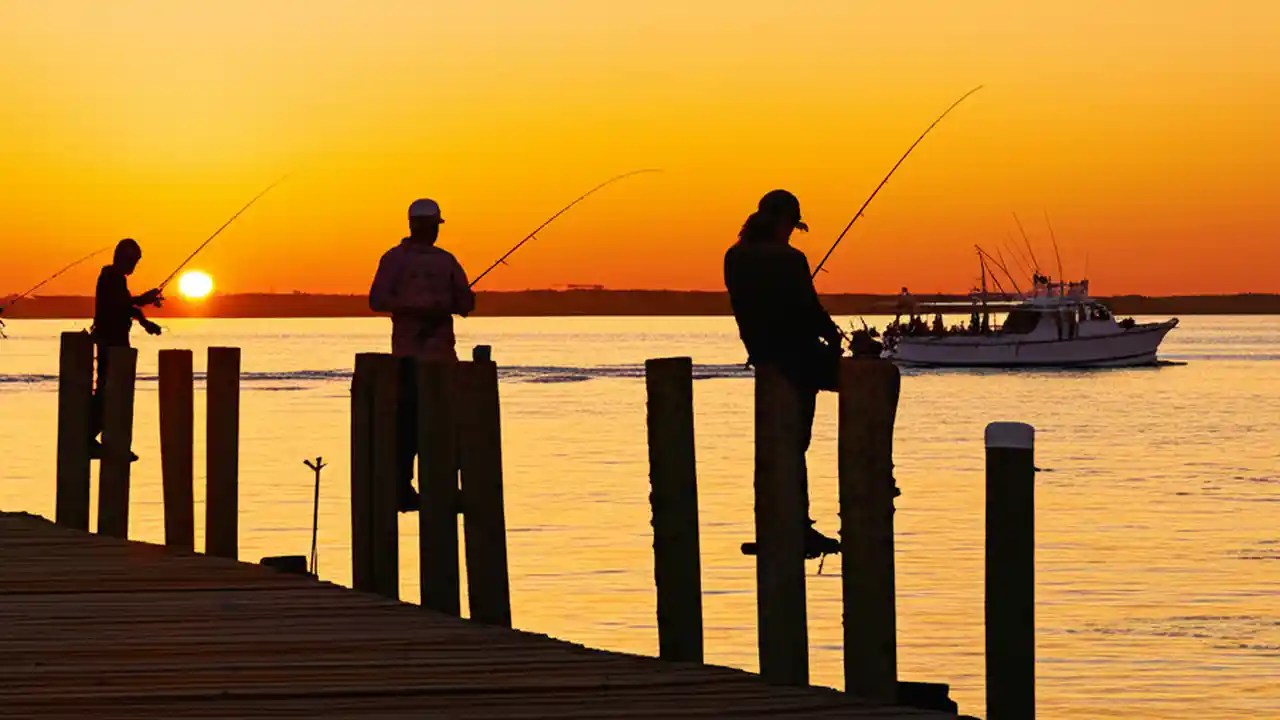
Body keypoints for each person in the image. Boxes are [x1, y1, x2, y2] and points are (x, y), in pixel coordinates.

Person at [724, 189, 842, 559]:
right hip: (798, 358)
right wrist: (833, 334)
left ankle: (783, 522)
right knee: (874, 379)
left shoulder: (734, 257)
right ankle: (803, 523)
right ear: (783, 222)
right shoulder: (790, 258)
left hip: (763, 356)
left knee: (783, 445)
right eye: (792, 225)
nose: (792, 232)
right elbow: (807, 308)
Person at [369, 198, 475, 512]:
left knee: (443, 426)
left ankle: (438, 487)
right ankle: (406, 489)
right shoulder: (398, 260)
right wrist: (426, 309)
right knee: (412, 427)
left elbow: (466, 304)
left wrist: (452, 303)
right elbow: (376, 300)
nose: (432, 232)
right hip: (413, 360)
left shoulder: (442, 261)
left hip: (439, 360)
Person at [90, 239, 162, 459]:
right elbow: (123, 305)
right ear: (122, 258)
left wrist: (144, 321)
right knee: (107, 392)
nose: (134, 266)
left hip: (118, 343)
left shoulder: (117, 279)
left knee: (116, 393)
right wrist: (145, 300)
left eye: (137, 261)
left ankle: (113, 443)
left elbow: (127, 306)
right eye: (133, 260)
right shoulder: (110, 277)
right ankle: (90, 437)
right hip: (110, 343)